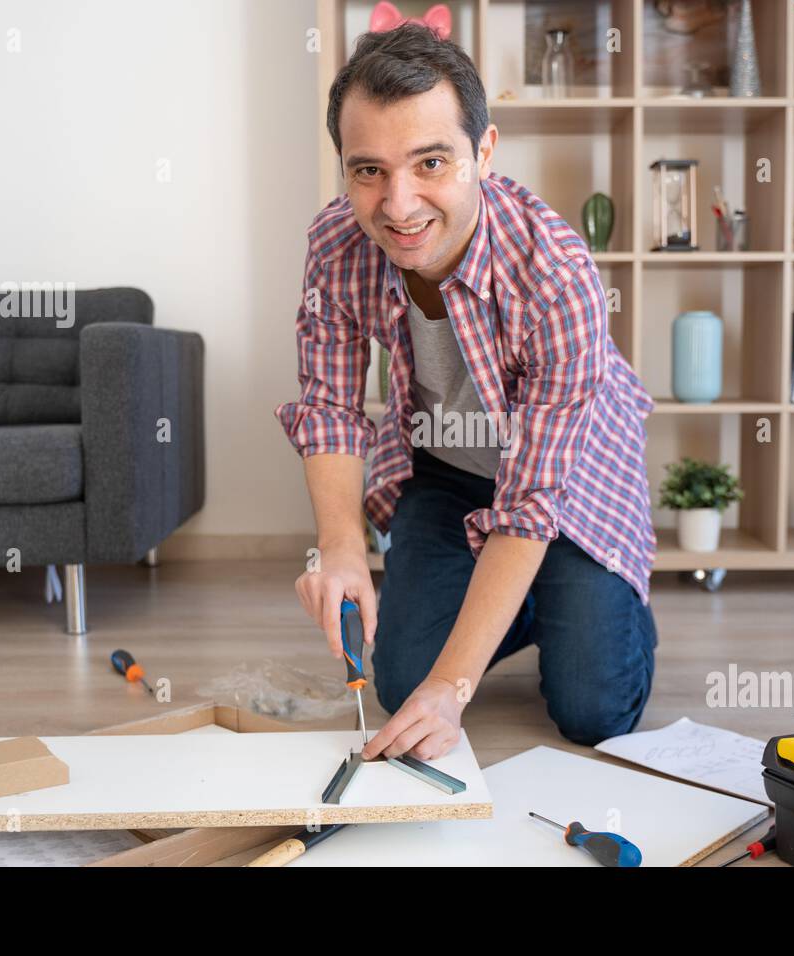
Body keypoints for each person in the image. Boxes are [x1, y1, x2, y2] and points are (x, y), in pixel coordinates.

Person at [276, 23, 657, 764]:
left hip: (568, 482)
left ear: (483, 153)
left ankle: (579, 597)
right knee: (400, 684)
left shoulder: (557, 272)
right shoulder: (335, 243)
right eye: (368, 171)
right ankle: (508, 599)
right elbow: (330, 407)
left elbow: (531, 498)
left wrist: (455, 685)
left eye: (430, 162)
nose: (399, 204)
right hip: (447, 467)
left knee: (594, 710)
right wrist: (343, 550)